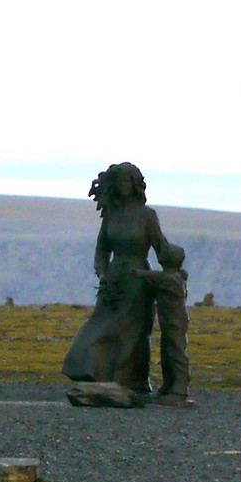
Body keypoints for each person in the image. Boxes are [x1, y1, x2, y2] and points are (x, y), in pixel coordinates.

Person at [62, 162, 170, 391]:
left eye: (127, 181)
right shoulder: (111, 214)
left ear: (135, 184)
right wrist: (102, 272)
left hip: (139, 281)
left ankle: (133, 383)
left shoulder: (147, 215)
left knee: (134, 334)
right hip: (113, 281)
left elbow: (161, 247)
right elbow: (102, 248)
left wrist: (172, 270)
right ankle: (92, 372)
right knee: (100, 327)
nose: (123, 185)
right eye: (119, 181)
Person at [133, 242, 193, 406]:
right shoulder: (175, 276)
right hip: (170, 321)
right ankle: (168, 387)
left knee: (176, 353)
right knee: (167, 353)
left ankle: (180, 390)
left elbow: (153, 276)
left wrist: (137, 272)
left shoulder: (170, 278)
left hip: (175, 322)